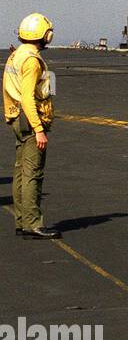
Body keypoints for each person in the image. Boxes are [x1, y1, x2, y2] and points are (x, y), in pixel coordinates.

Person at [3, 14, 61, 239]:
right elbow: (28, 97)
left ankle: (22, 221)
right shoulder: (31, 60)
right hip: (29, 119)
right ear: (45, 35)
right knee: (32, 173)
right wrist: (38, 129)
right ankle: (33, 224)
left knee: (20, 171)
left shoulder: (18, 55)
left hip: (16, 117)